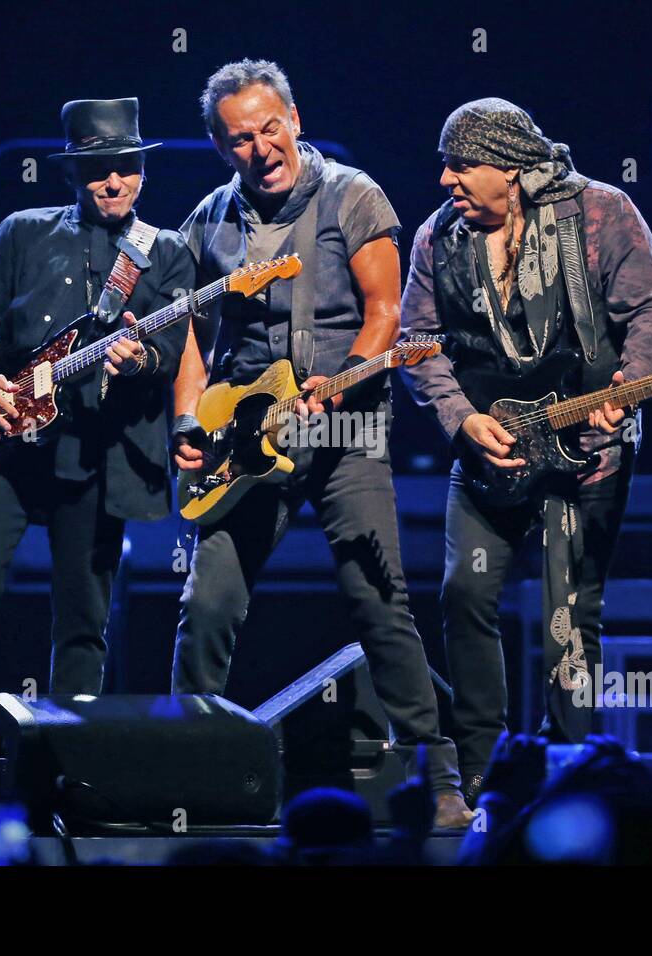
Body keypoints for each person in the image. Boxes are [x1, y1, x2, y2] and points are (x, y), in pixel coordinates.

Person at [170, 60, 472, 828]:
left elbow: (386, 317)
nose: (261, 146)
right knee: (207, 605)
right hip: (246, 441)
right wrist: (189, 427)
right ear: (220, 146)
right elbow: (192, 344)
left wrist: (332, 386)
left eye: (271, 127)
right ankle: (181, 772)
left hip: (344, 428)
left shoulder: (354, 194)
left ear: (296, 119)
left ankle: (439, 780)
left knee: (380, 601)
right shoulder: (207, 221)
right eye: (241, 138)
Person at [399, 98, 652, 805]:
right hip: (489, 450)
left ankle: (572, 778)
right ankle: (480, 772)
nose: (445, 181)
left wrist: (631, 383)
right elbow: (417, 348)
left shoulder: (602, 213)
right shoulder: (439, 239)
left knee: (570, 618)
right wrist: (462, 420)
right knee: (464, 594)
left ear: (511, 168)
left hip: (586, 452)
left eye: (461, 165)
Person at [0, 98, 195, 788]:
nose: (114, 183)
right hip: (7, 447)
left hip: (97, 453)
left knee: (83, 615)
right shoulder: (21, 233)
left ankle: (67, 769)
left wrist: (142, 362)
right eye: (99, 170)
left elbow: (170, 351)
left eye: (126, 169)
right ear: (73, 173)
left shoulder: (167, 254)